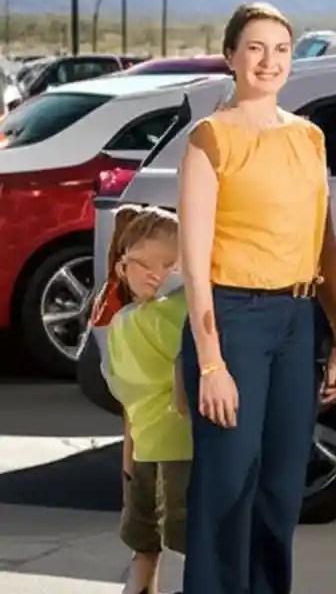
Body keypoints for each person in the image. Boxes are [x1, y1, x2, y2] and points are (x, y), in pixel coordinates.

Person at [176, 1, 336, 594]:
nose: (268, 60)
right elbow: (194, 262)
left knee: (281, 489)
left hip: (297, 320)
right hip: (232, 319)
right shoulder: (211, 139)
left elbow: (323, 242)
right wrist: (210, 362)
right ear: (230, 57)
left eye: (280, 49)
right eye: (254, 48)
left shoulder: (308, 137)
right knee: (227, 486)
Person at [91, 204, 190, 594]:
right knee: (152, 540)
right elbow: (131, 406)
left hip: (179, 450)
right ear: (122, 268)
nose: (158, 274)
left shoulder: (168, 314)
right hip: (153, 451)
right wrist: (129, 461)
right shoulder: (124, 323)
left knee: (164, 541)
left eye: (170, 263)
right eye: (145, 264)